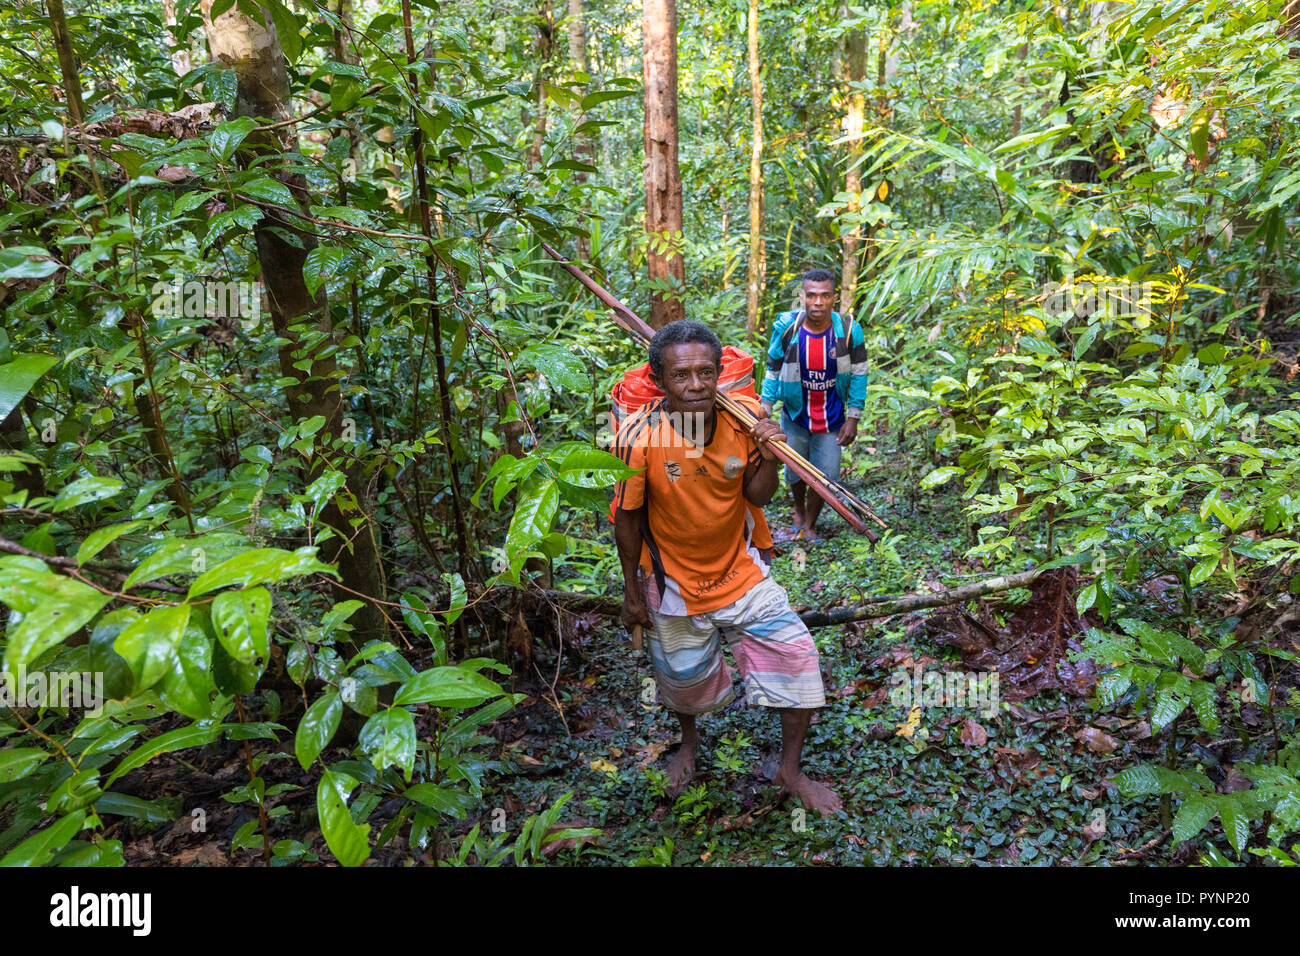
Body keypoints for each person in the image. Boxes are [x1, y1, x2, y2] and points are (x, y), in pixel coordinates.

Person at [613, 320, 842, 816]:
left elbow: (757, 496)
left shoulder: (743, 419)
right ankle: (689, 743)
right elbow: (627, 520)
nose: (695, 385)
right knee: (682, 681)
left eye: (705, 373)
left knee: (799, 658)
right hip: (671, 582)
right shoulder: (637, 437)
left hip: (742, 572)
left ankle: (790, 770)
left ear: (718, 373)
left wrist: (768, 457)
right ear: (659, 380)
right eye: (681, 375)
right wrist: (632, 592)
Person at [759, 268, 869, 541]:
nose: (817, 302)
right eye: (811, 296)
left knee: (826, 478)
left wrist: (853, 417)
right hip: (795, 416)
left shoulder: (848, 330)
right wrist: (766, 406)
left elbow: (859, 372)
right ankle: (798, 509)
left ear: (834, 298)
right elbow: (772, 368)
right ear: (803, 297)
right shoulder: (788, 328)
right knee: (795, 471)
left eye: (824, 296)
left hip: (832, 419)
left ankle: (810, 524)